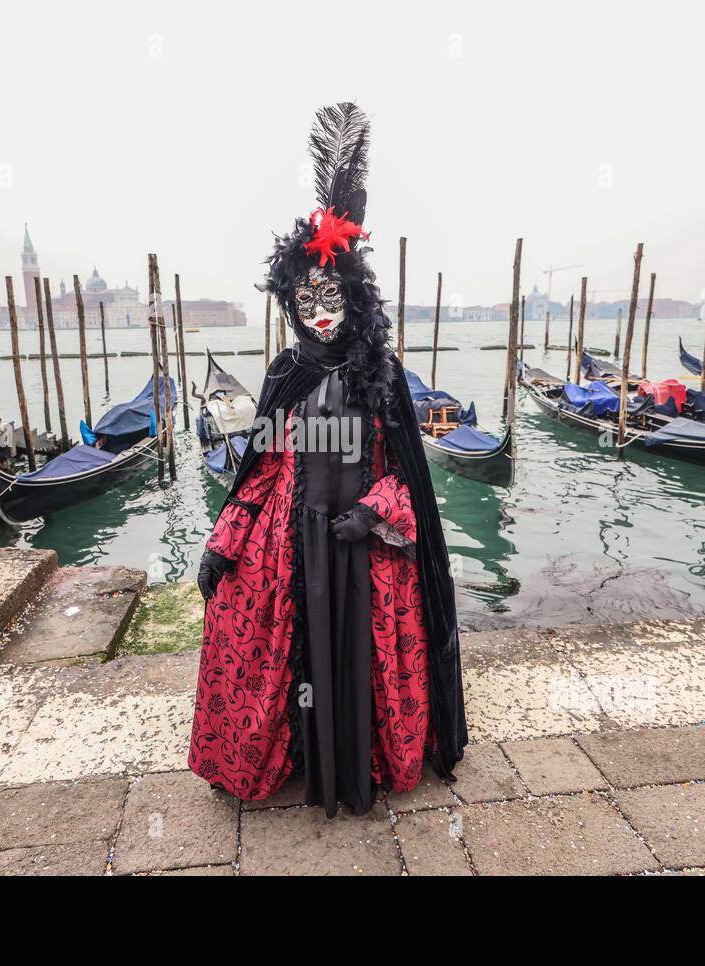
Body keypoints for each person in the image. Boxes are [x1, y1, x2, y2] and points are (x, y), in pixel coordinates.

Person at [188, 103, 467, 817]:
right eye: (305, 297)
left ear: (353, 298)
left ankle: (364, 761)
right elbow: (260, 473)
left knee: (370, 664)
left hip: (367, 550)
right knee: (271, 654)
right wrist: (223, 543)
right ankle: (299, 756)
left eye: (331, 295)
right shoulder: (286, 374)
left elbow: (410, 477)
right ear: (290, 301)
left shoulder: (384, 372)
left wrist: (375, 512)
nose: (319, 310)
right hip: (290, 546)